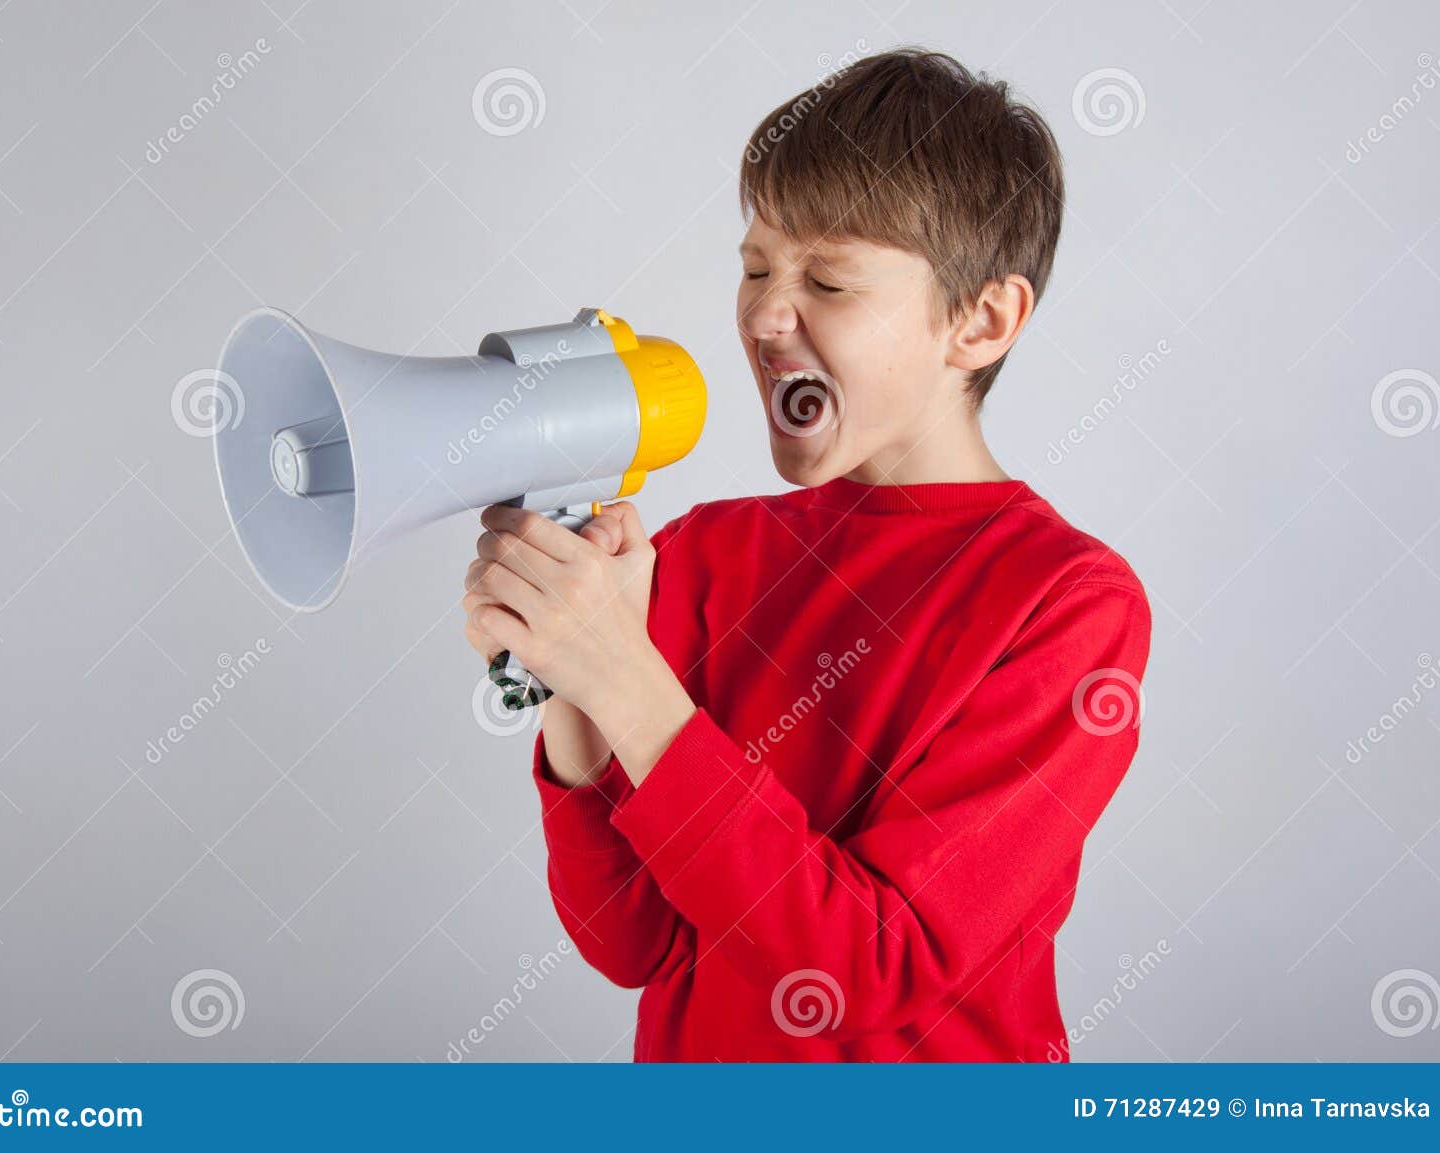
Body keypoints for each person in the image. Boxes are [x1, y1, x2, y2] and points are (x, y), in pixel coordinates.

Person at [461, 47, 1152, 1061]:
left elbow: (865, 972)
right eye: (754, 267)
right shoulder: (705, 551)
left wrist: (623, 677)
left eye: (826, 278)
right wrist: (572, 682)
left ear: (980, 321)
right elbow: (633, 943)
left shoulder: (1068, 604)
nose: (761, 315)